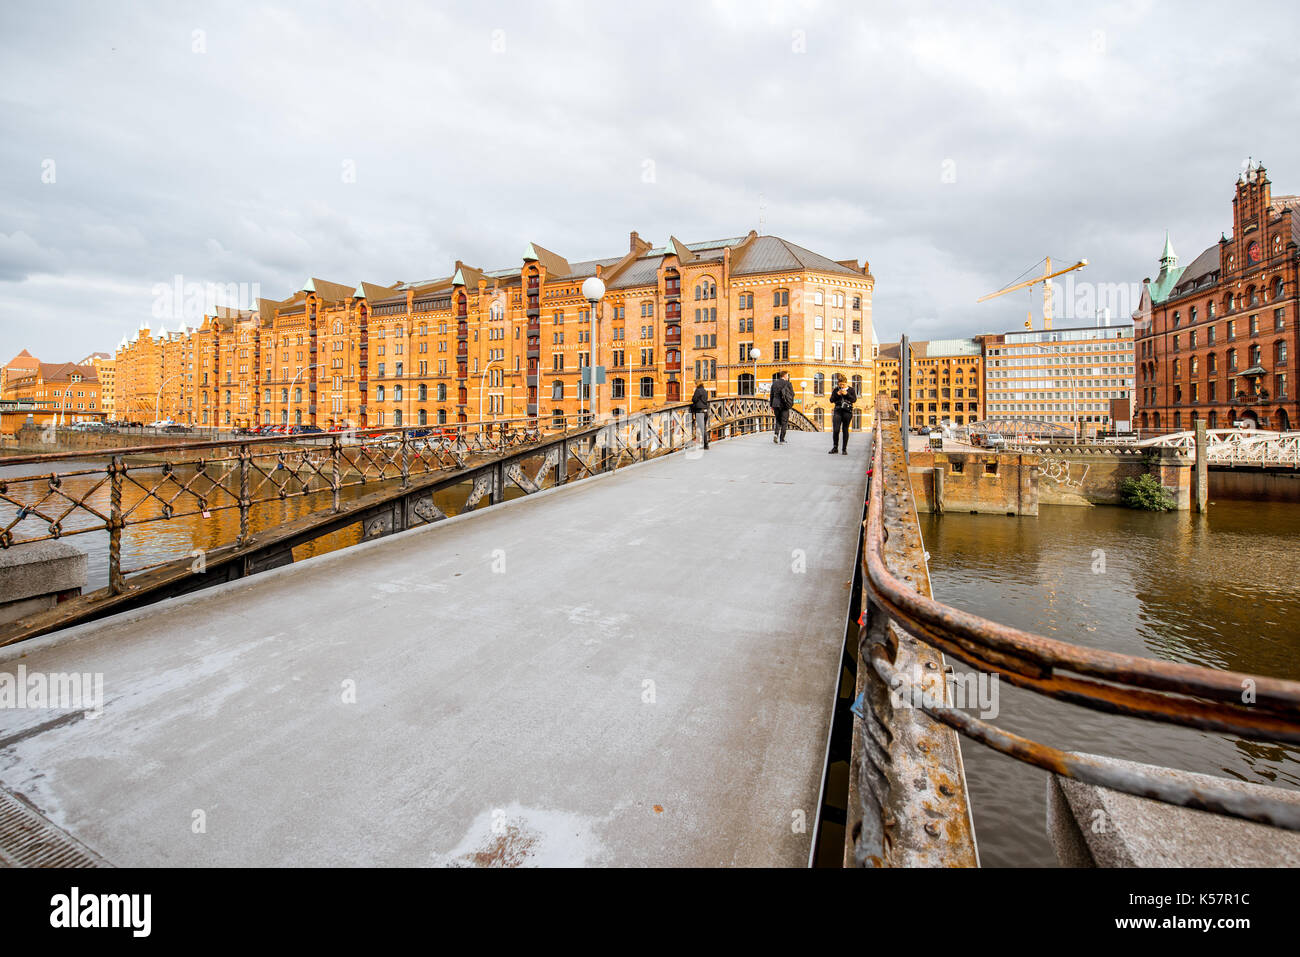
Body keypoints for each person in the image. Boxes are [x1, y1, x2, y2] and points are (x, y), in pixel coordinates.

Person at [829, 374, 856, 455]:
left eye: (843, 385)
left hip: (847, 412)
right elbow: (831, 400)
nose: (842, 386)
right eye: (840, 385)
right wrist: (837, 394)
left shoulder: (851, 390)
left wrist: (846, 394)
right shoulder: (836, 390)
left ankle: (844, 449)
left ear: (846, 383)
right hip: (838, 411)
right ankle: (835, 447)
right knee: (836, 429)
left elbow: (854, 399)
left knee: (845, 430)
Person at [769, 371, 795, 443]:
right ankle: (781, 439)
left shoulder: (774, 383)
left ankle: (776, 434)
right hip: (784, 405)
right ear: (784, 376)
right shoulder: (788, 383)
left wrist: (771, 405)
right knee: (784, 422)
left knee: (778, 420)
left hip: (775, 404)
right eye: (787, 375)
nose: (788, 377)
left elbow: (771, 395)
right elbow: (792, 394)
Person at [690, 381, 711, 450]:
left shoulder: (698, 390)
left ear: (697, 384)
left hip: (699, 411)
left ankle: (705, 445)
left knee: (702, 428)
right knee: (703, 428)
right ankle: (703, 444)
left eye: (695, 384)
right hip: (705, 411)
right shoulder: (705, 391)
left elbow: (694, 399)